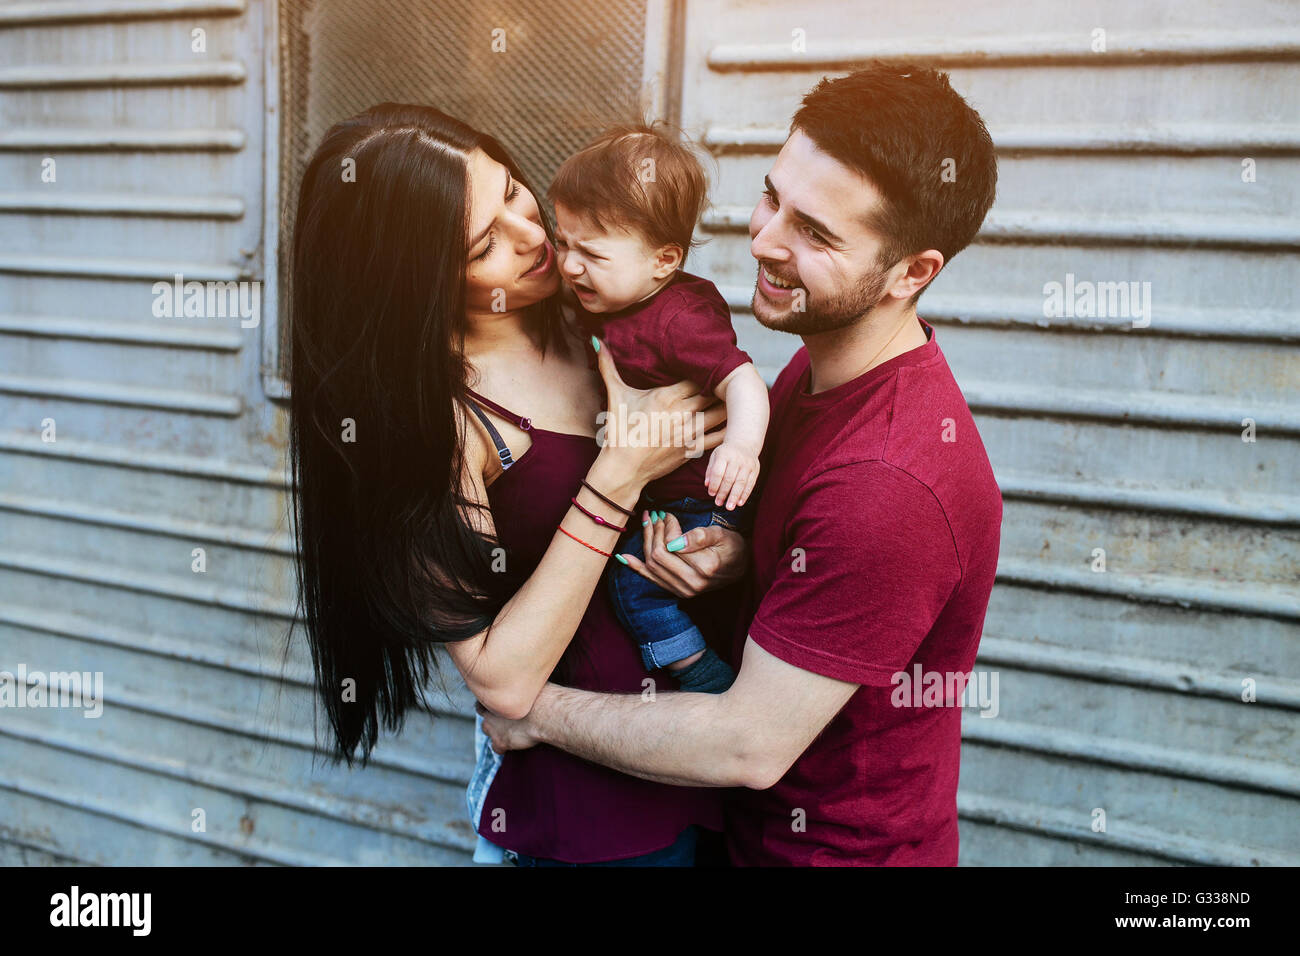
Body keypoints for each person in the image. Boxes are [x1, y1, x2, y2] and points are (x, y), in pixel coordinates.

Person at [481, 64, 1004, 866]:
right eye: (772, 198)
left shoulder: (891, 483)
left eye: (817, 234)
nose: (764, 240)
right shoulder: (814, 372)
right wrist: (739, 559)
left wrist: (534, 713)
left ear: (913, 273)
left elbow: (746, 744)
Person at [286, 103, 747, 865]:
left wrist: (729, 557)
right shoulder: (435, 426)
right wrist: (618, 474)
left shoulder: (603, 310)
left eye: (509, 191)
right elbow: (499, 677)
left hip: (709, 778)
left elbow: (717, 476)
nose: (533, 237)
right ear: (417, 281)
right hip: (587, 823)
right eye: (483, 245)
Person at [548, 123, 770, 694]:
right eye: (563, 242)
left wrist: (742, 448)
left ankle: (699, 673)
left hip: (699, 502)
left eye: (591, 253)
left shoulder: (679, 320)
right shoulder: (613, 295)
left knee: (634, 583)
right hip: (661, 493)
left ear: (664, 260)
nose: (570, 266)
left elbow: (744, 381)